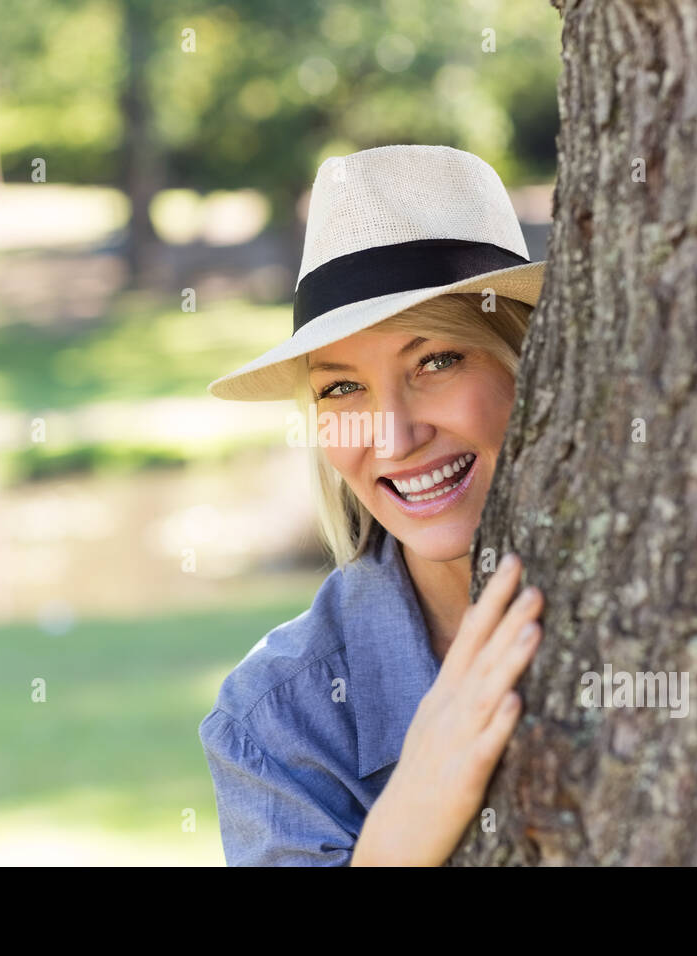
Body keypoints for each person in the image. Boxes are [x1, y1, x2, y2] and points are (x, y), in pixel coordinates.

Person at [198, 144, 547, 866]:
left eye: (436, 362)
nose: (393, 438)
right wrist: (414, 814)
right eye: (342, 388)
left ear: (530, 361)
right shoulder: (276, 719)